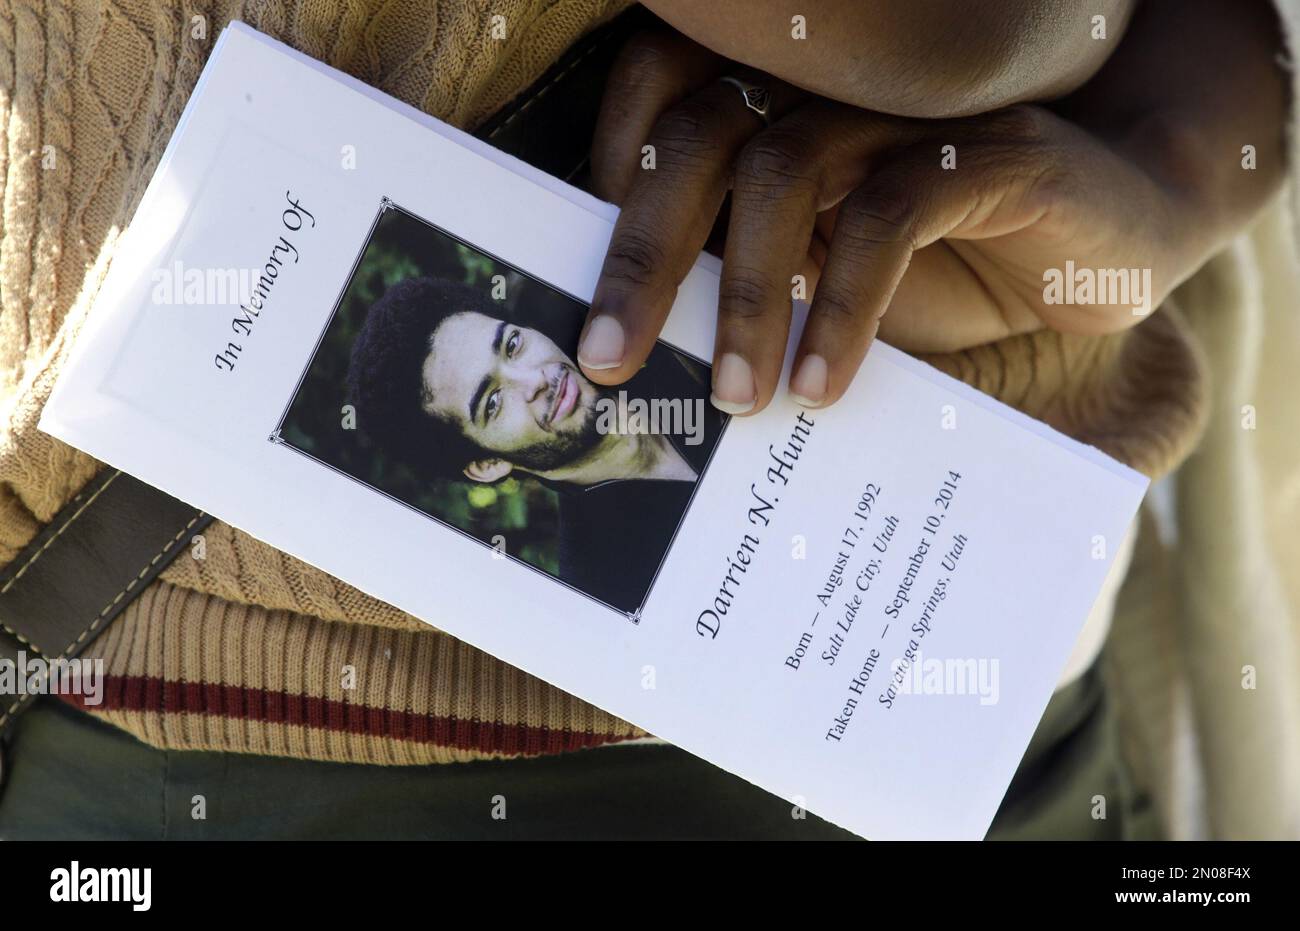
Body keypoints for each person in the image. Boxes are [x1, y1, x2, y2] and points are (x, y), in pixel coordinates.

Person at [348, 276, 722, 612]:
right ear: (485, 464)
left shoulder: (661, 331)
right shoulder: (606, 588)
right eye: (492, 402)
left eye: (512, 345)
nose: (535, 380)